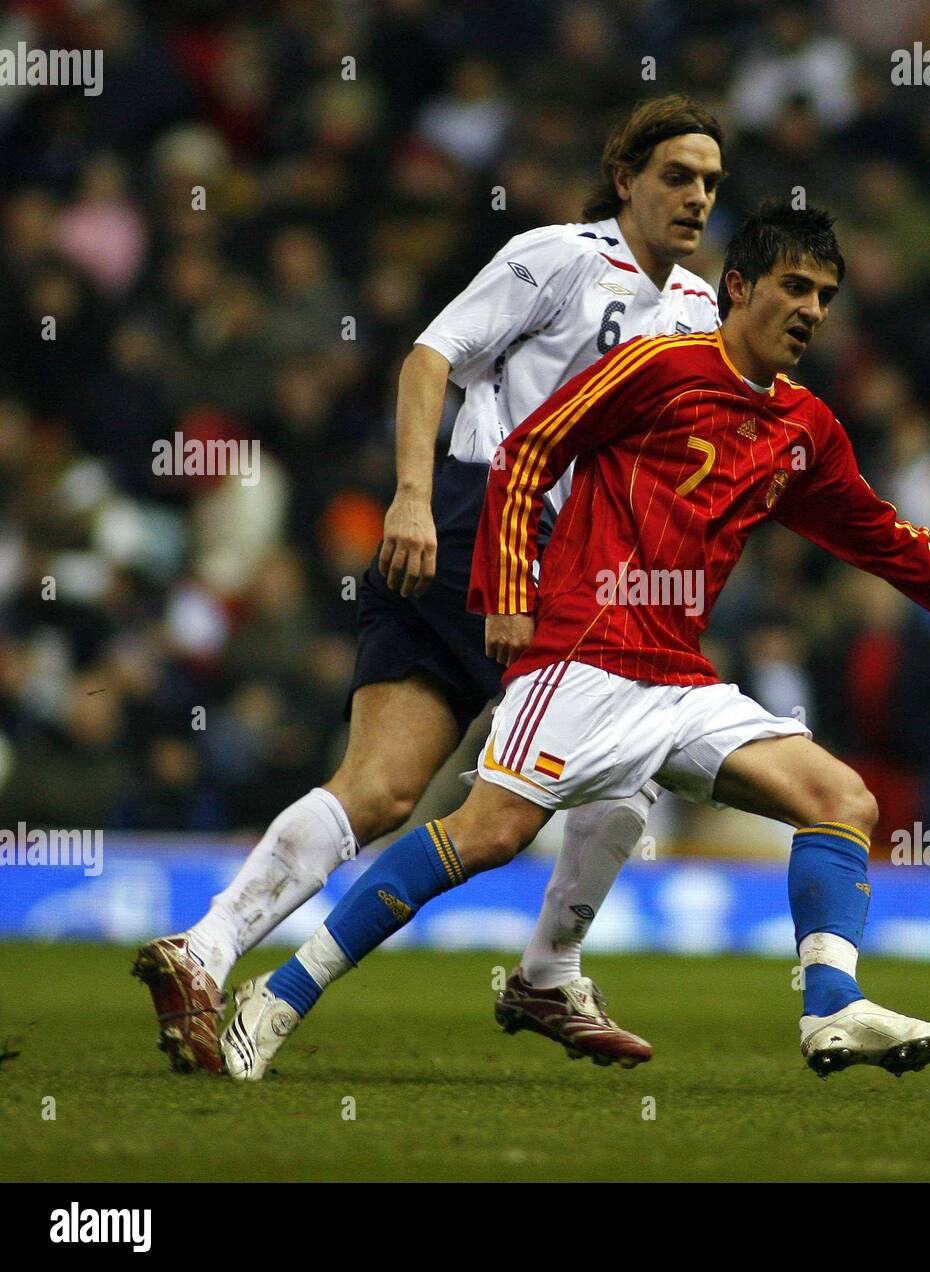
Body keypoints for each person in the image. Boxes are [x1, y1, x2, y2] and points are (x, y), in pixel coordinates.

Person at [221, 203, 930, 1081]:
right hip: (579, 655)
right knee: (486, 835)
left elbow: (879, 532)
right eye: (795, 287)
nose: (812, 311)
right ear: (741, 289)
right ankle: (281, 994)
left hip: (677, 680)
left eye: (826, 296)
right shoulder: (656, 367)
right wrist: (508, 594)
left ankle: (832, 1008)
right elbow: (528, 452)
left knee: (844, 799)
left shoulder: (805, 428)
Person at [133, 95, 726, 1074]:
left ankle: (208, 949)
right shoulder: (558, 257)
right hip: (478, 523)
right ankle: (537, 973)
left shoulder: (698, 309)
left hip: (571, 561)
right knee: (582, 757)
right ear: (626, 179)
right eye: (676, 175)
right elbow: (429, 355)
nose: (696, 196)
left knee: (415, 787)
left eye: (710, 182)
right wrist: (410, 495)